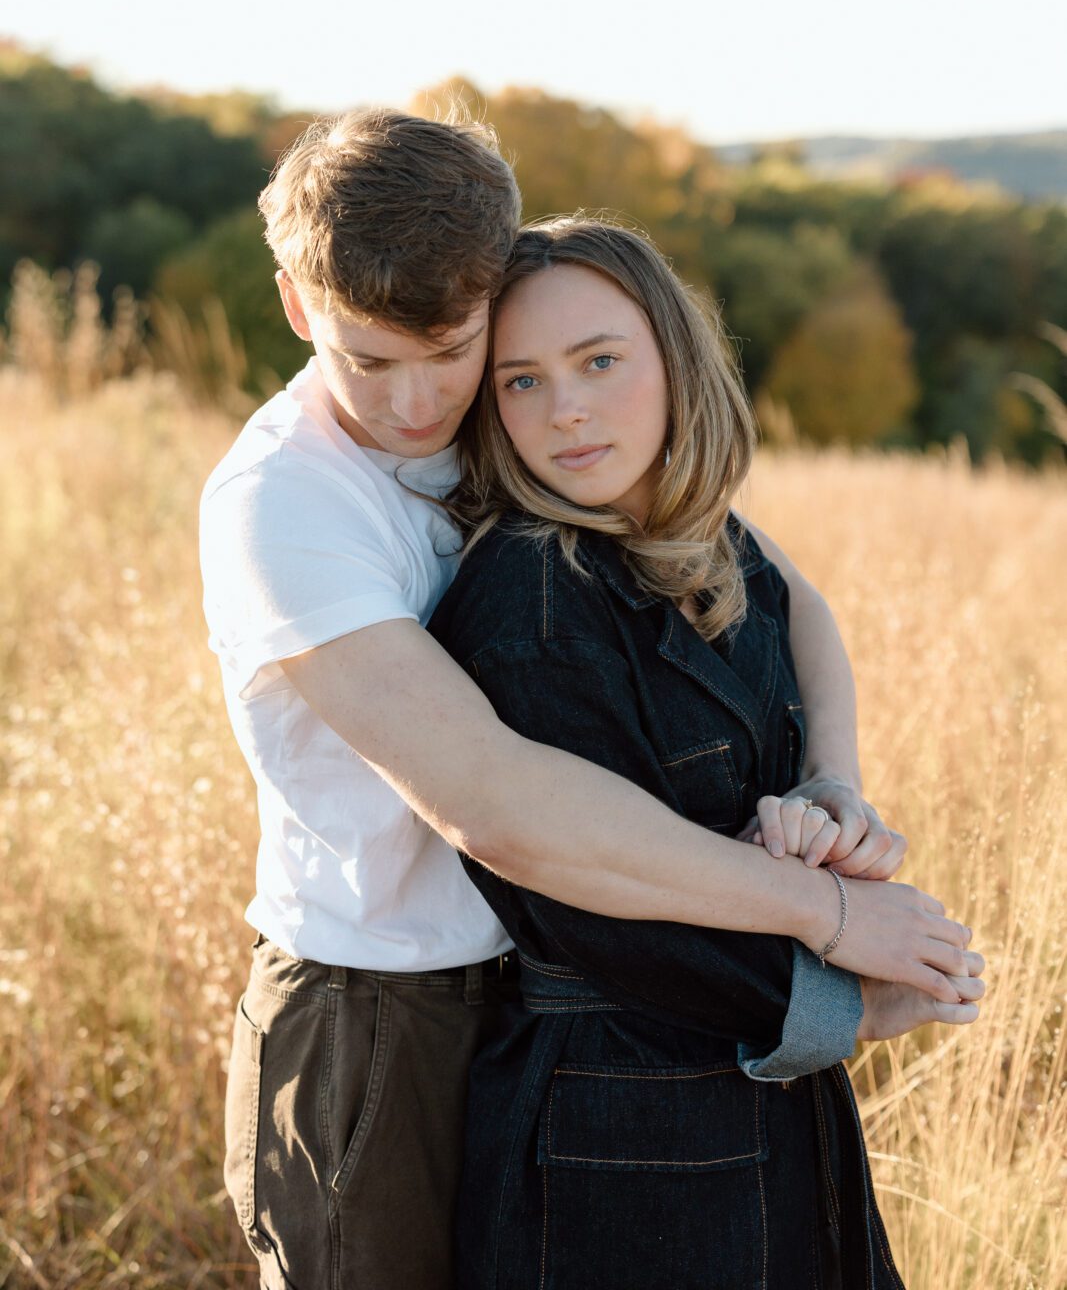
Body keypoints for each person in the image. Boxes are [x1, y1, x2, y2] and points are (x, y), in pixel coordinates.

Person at [200, 111, 980, 1290]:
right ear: (300, 309)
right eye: (368, 360)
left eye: (451, 350)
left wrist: (831, 779)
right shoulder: (287, 503)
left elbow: (773, 580)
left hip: (540, 986)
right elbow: (500, 806)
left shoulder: (514, 408)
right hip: (382, 1011)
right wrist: (822, 921)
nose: (415, 403)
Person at [428, 216, 985, 1289]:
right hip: (613, 1129)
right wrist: (845, 1000)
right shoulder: (532, 593)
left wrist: (826, 800)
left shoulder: (704, 542)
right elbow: (587, 901)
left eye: (598, 361)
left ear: (673, 357)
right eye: (522, 382)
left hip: (759, 1096)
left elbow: (800, 624)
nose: (567, 409)